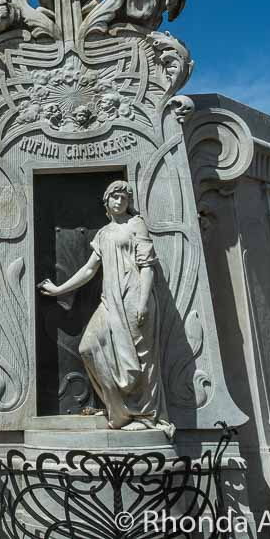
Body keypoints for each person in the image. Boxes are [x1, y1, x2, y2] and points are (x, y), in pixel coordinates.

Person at [38, 180, 173, 436]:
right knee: (88, 347)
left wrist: (144, 301)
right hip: (110, 299)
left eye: (124, 198)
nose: (120, 201)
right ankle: (119, 412)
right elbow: (89, 270)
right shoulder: (103, 233)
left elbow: (147, 266)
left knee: (139, 362)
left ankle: (144, 414)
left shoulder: (136, 224)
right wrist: (59, 290)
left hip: (134, 297)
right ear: (106, 202)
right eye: (115, 197)